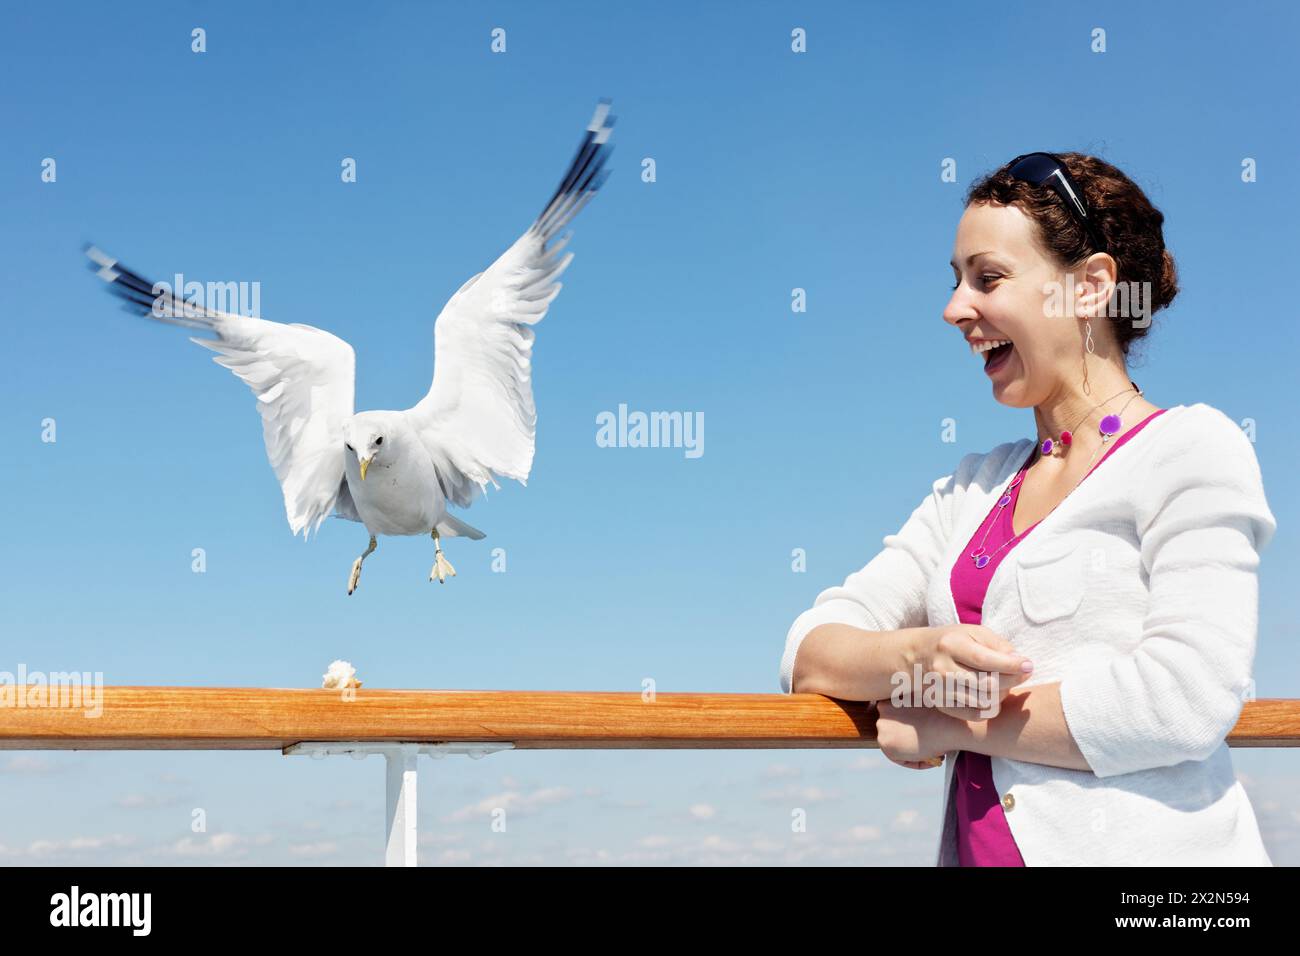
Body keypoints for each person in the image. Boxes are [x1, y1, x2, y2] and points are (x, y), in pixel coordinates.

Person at [778, 152, 1277, 866]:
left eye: (988, 278)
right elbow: (809, 651)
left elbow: (1184, 698)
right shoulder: (974, 486)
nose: (954, 309)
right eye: (955, 282)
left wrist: (956, 724)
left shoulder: (1192, 448)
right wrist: (915, 658)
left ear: (1091, 287)